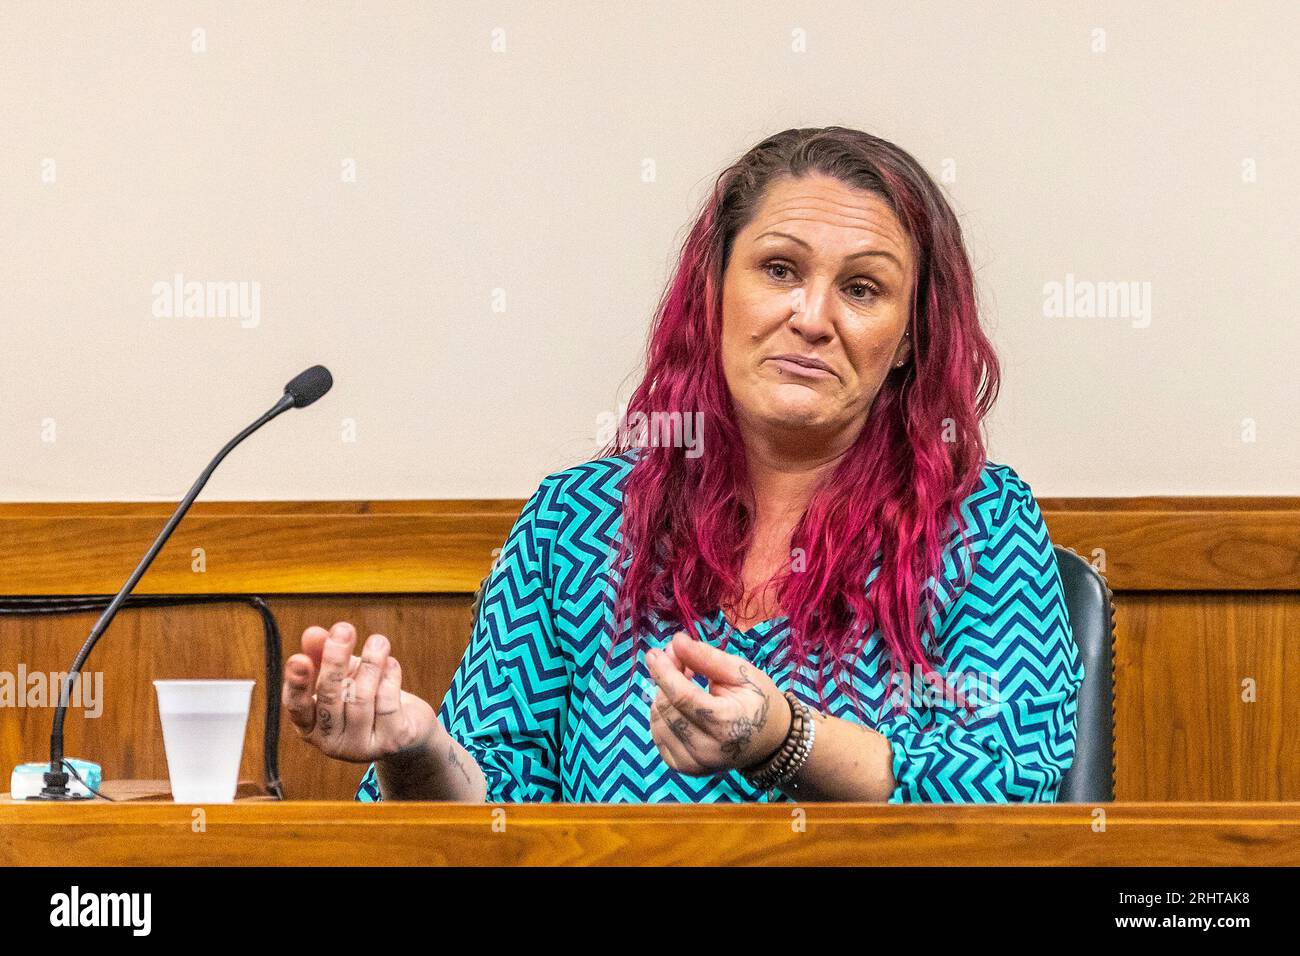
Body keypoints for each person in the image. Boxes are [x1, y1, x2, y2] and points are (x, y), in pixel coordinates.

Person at [281, 126, 1084, 803]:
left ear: (910, 336)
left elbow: (1014, 792)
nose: (811, 317)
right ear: (712, 293)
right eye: (780, 270)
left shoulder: (980, 523)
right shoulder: (577, 524)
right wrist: (416, 748)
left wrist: (785, 740)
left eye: (863, 289)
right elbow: (495, 802)